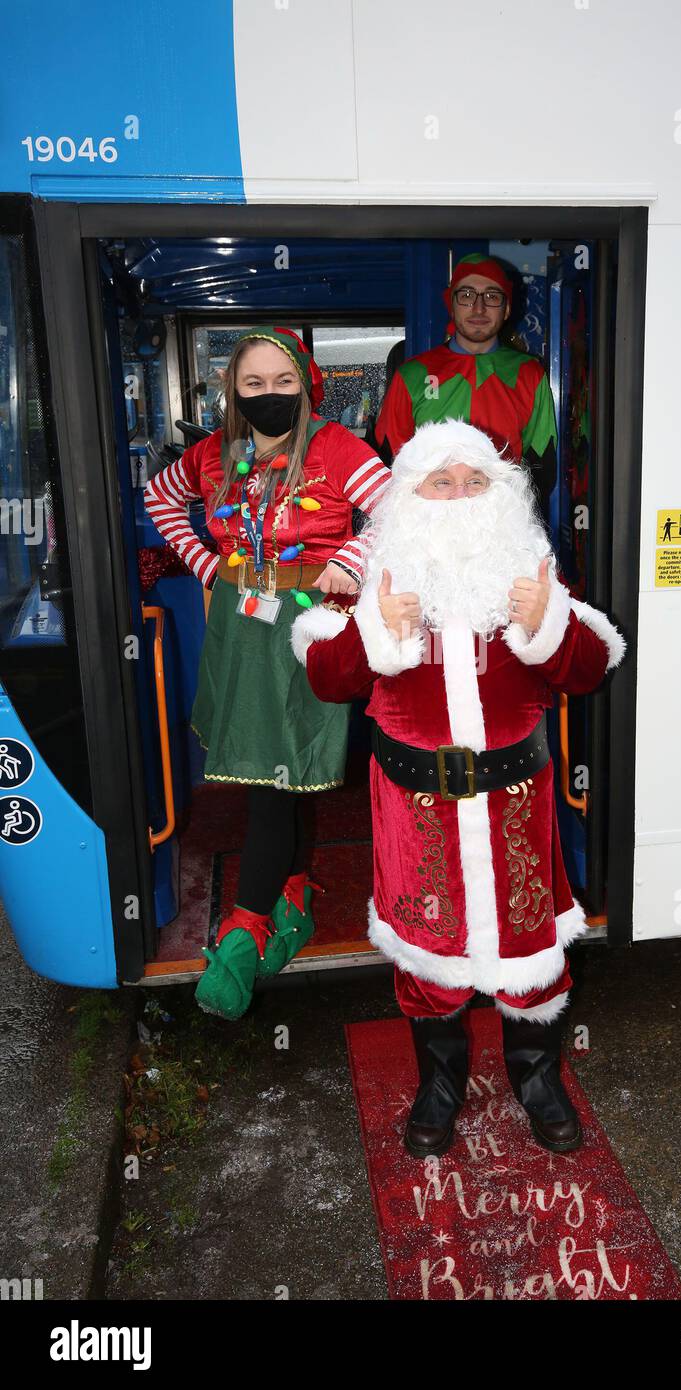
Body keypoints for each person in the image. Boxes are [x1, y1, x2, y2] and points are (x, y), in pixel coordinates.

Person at [291, 419, 625, 1156]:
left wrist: (552, 625)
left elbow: (592, 667)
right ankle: (440, 1085)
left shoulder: (528, 563)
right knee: (427, 953)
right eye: (440, 481)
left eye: (475, 480)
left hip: (515, 802)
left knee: (529, 952)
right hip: (414, 809)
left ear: (500, 492)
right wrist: (371, 628)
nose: (459, 494)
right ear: (411, 493)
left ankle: (537, 1079)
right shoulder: (374, 567)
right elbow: (324, 677)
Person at [143, 325, 391, 1019]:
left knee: (278, 776)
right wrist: (207, 566)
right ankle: (289, 899)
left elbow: (402, 507)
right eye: (253, 384)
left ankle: (247, 924)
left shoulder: (342, 450)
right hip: (241, 620)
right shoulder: (214, 455)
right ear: (233, 390)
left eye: (283, 383)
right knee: (267, 774)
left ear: (306, 385)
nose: (269, 396)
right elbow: (160, 499)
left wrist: (351, 561)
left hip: (310, 619)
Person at [374, 253, 558, 506]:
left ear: (506, 309)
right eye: (467, 295)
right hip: (429, 520)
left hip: (500, 520)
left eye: (492, 296)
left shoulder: (529, 374)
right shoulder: (412, 375)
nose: (479, 307)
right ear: (451, 304)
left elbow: (541, 468)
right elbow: (390, 466)